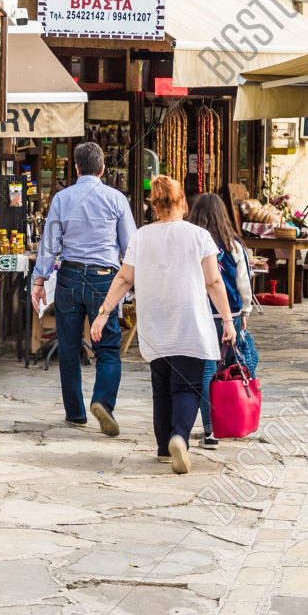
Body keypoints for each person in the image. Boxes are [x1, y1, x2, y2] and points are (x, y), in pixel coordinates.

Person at [89, 177, 235, 474]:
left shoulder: (141, 236)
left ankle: (162, 448)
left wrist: (104, 313)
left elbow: (123, 279)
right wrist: (228, 319)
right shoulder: (199, 236)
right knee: (189, 386)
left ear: (154, 206)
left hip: (156, 324)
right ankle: (179, 437)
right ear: (183, 202)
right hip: (190, 322)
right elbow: (213, 281)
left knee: (161, 386)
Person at [31, 142, 136, 435]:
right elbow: (131, 247)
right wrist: (132, 284)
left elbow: (49, 245)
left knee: (68, 346)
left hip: (70, 277)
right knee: (109, 347)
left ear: (75, 168)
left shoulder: (62, 199)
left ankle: (75, 413)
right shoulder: (116, 199)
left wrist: (39, 281)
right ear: (102, 169)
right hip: (105, 279)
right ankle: (102, 400)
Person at [186, 193, 253, 448]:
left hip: (197, 312)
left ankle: (210, 430)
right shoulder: (234, 245)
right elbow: (243, 281)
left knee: (205, 372)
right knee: (223, 370)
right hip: (229, 314)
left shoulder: (192, 243)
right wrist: (244, 311)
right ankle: (228, 421)